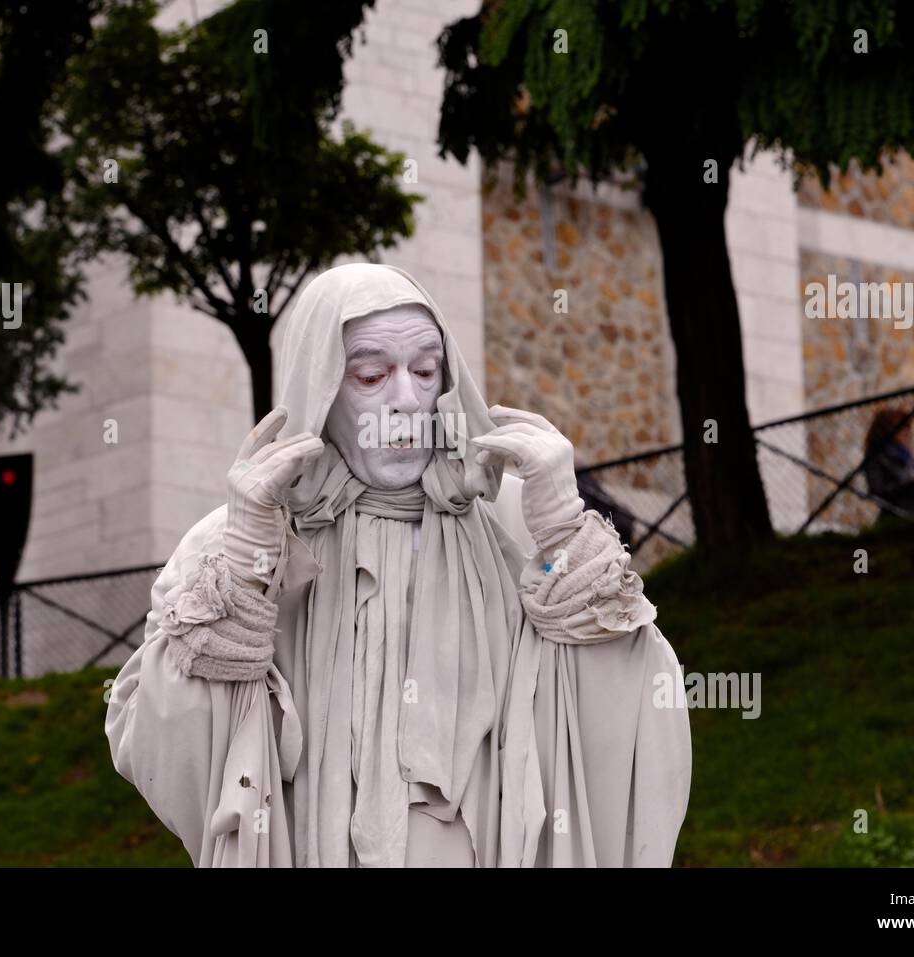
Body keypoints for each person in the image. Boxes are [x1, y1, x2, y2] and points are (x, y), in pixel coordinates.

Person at [105, 262, 691, 867]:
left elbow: (639, 720)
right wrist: (246, 571)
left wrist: (565, 533)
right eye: (370, 375)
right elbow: (162, 745)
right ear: (322, 389)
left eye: (425, 370)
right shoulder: (233, 543)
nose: (406, 399)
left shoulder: (516, 524)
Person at [862, 407, 914, 519]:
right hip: (896, 522)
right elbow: (878, 493)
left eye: (908, 427)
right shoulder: (876, 457)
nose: (907, 432)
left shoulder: (908, 458)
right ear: (887, 430)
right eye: (902, 427)